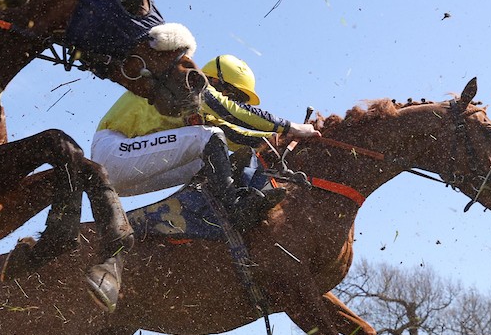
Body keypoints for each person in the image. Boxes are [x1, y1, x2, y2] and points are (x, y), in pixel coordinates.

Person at [90, 53, 320, 229]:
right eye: (234, 94)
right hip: (112, 152)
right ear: (213, 81)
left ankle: (204, 218)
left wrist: (278, 139)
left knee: (209, 158)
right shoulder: (190, 82)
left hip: (125, 176)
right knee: (208, 137)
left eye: (239, 98)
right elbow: (232, 112)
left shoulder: (200, 116)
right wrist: (291, 126)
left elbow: (234, 136)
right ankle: (236, 208)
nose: (234, 100)